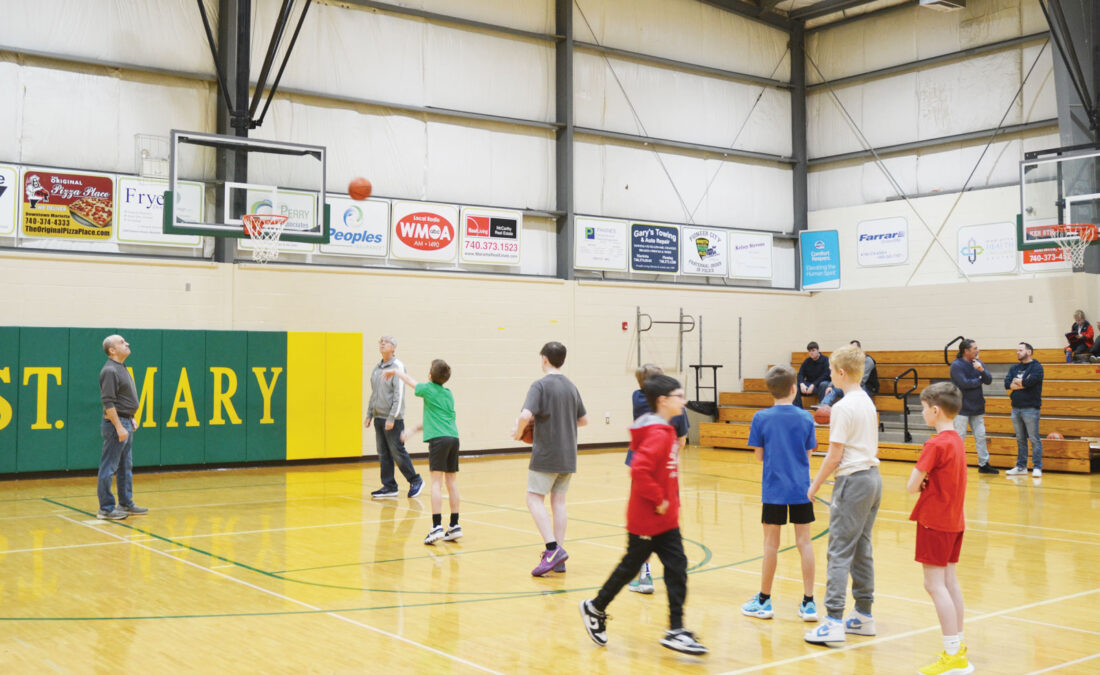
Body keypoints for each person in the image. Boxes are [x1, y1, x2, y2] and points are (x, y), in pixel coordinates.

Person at [579, 375, 707, 655]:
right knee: (630, 568)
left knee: (677, 567)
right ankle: (595, 607)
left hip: (664, 520)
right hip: (648, 518)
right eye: (678, 396)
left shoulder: (667, 430)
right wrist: (659, 498)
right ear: (663, 401)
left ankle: (675, 629)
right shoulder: (658, 433)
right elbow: (639, 470)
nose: (683, 401)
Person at [805, 344, 881, 646]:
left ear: (840, 372)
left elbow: (834, 455)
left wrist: (814, 485)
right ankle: (863, 615)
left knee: (838, 551)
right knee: (861, 548)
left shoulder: (842, 407)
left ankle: (833, 621)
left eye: (831, 371)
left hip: (852, 481)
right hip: (874, 479)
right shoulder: (866, 402)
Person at [741, 364, 819, 623]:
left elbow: (759, 456)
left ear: (770, 390)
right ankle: (809, 602)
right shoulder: (806, 417)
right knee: (804, 543)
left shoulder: (760, 418)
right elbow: (808, 455)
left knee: (770, 545)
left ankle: (764, 600)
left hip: (774, 490)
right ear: (795, 388)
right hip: (801, 488)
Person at [907, 381, 973, 675]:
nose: (922, 413)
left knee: (934, 584)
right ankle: (958, 648)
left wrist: (921, 481)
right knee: (949, 583)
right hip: (954, 520)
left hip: (935, 520)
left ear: (935, 410)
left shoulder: (935, 444)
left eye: (923, 408)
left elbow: (911, 486)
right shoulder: (957, 440)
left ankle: (952, 655)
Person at [513, 341, 588, 576]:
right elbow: (583, 420)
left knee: (533, 498)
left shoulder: (540, 386)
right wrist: (562, 423)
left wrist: (518, 432)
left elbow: (526, 414)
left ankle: (552, 549)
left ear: (544, 359)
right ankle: (560, 556)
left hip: (547, 453)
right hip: (568, 453)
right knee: (559, 502)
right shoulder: (571, 387)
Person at [627, 363, 689, 594]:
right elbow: (682, 440)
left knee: (645, 525)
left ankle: (645, 575)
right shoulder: (673, 409)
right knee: (666, 524)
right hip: (665, 470)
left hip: (643, 465)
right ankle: (667, 571)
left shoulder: (637, 397)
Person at [387, 359, 462, 545]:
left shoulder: (428, 389)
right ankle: (454, 525)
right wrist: (413, 430)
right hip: (453, 438)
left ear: (430, 375)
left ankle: (437, 526)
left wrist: (396, 372)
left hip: (439, 440)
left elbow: (410, 381)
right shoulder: (448, 394)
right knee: (451, 482)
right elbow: (438, 420)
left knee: (436, 483)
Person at [364, 335, 423, 499]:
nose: (382, 344)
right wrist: (369, 414)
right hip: (378, 417)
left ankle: (415, 480)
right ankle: (389, 486)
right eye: (380, 342)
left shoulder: (398, 366)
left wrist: (392, 417)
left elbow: (399, 394)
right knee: (383, 453)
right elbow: (374, 394)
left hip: (393, 419)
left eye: (386, 342)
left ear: (393, 348)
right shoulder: (377, 368)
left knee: (397, 451)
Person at [97, 335, 149, 520]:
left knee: (125, 466)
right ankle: (106, 508)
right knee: (109, 467)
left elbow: (122, 399)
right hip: (116, 424)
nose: (127, 343)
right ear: (112, 350)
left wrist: (130, 418)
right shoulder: (110, 370)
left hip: (125, 421)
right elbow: (108, 402)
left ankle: (125, 503)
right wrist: (119, 427)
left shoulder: (121, 368)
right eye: (121, 342)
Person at [949, 339, 998, 474]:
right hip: (961, 408)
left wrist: (981, 371)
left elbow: (988, 380)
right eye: (975, 348)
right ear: (966, 351)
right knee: (960, 438)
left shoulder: (978, 363)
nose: (978, 350)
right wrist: (979, 380)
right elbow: (964, 384)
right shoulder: (956, 365)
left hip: (977, 406)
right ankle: (955, 465)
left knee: (981, 436)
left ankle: (984, 464)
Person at [1004, 342, 1044, 478]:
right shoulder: (1014, 367)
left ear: (1029, 351)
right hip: (1016, 408)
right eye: (1017, 350)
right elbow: (1006, 383)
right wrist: (1021, 383)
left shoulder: (1037, 367)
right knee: (1020, 439)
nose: (1017, 352)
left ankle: (1037, 466)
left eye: (1020, 350)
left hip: (1031, 408)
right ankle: (1021, 467)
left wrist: (1019, 383)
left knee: (1034, 438)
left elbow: (1030, 382)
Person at [821, 340, 878, 406]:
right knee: (833, 389)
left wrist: (845, 385)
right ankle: (823, 406)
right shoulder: (849, 361)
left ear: (860, 350)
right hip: (851, 384)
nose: (852, 352)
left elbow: (861, 380)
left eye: (854, 349)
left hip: (868, 386)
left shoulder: (868, 360)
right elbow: (839, 374)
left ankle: (851, 408)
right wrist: (831, 386)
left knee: (856, 389)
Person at [795, 342, 831, 409]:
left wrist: (813, 384)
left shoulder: (826, 360)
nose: (811, 353)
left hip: (820, 385)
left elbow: (826, 375)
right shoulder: (807, 361)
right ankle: (798, 408)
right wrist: (801, 383)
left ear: (818, 350)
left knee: (824, 384)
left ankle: (822, 407)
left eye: (813, 350)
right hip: (809, 385)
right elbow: (800, 374)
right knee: (795, 386)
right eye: (810, 351)